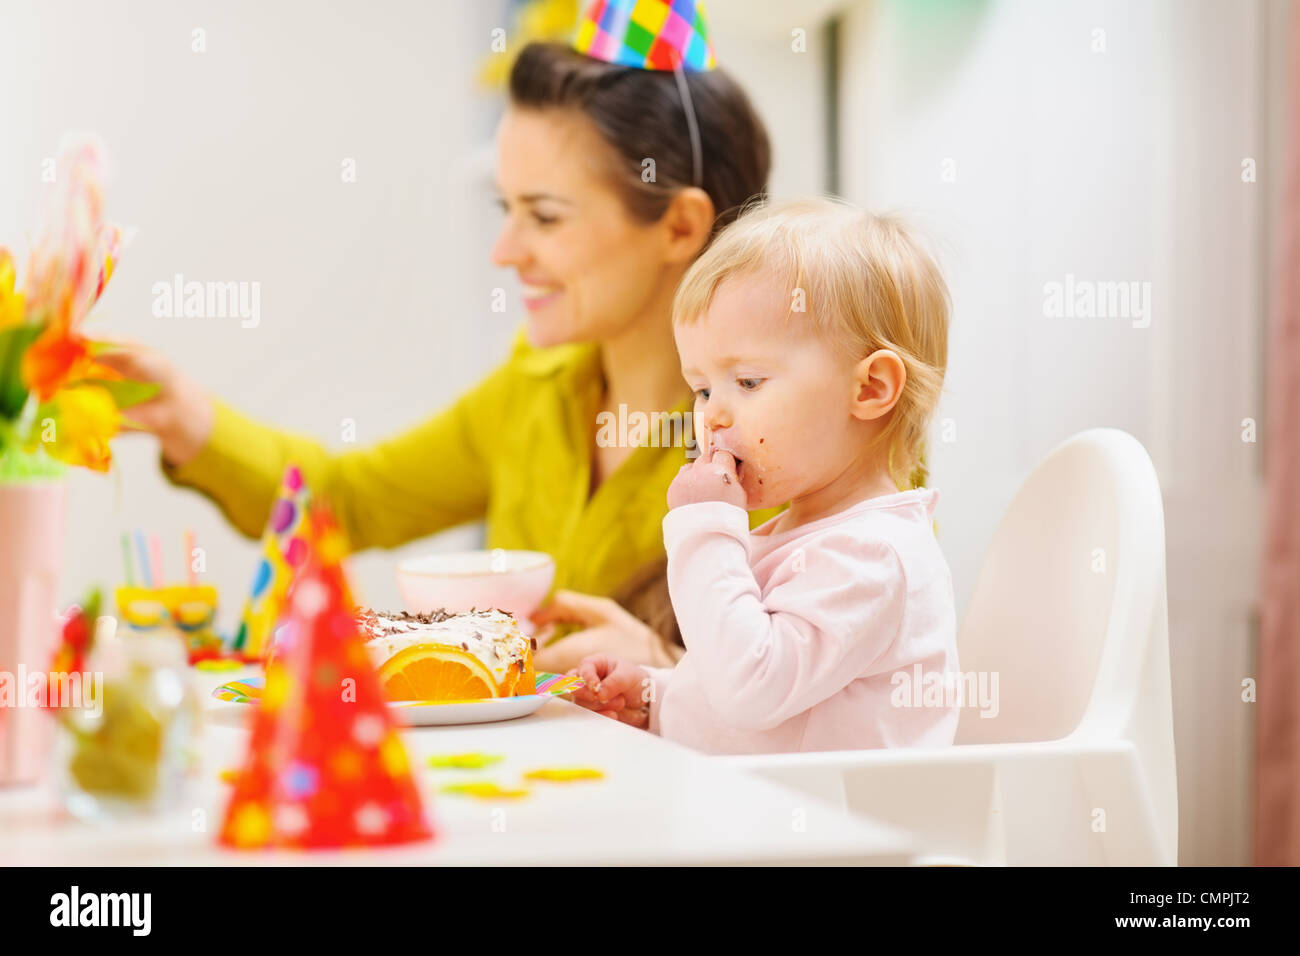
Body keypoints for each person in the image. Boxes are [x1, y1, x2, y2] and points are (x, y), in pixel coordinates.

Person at [99, 1, 782, 672]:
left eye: (544, 218)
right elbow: (350, 500)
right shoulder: (533, 390)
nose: (505, 252)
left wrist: (669, 671)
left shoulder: (791, 433)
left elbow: (844, 694)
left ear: (679, 227)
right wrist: (186, 416)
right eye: (506, 210)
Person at [570, 198, 959, 754]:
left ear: (870, 389)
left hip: (845, 836)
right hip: (779, 822)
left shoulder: (873, 555)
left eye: (748, 382)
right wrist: (659, 700)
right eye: (703, 390)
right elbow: (759, 709)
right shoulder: (798, 536)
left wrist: (704, 529)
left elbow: (752, 689)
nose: (713, 416)